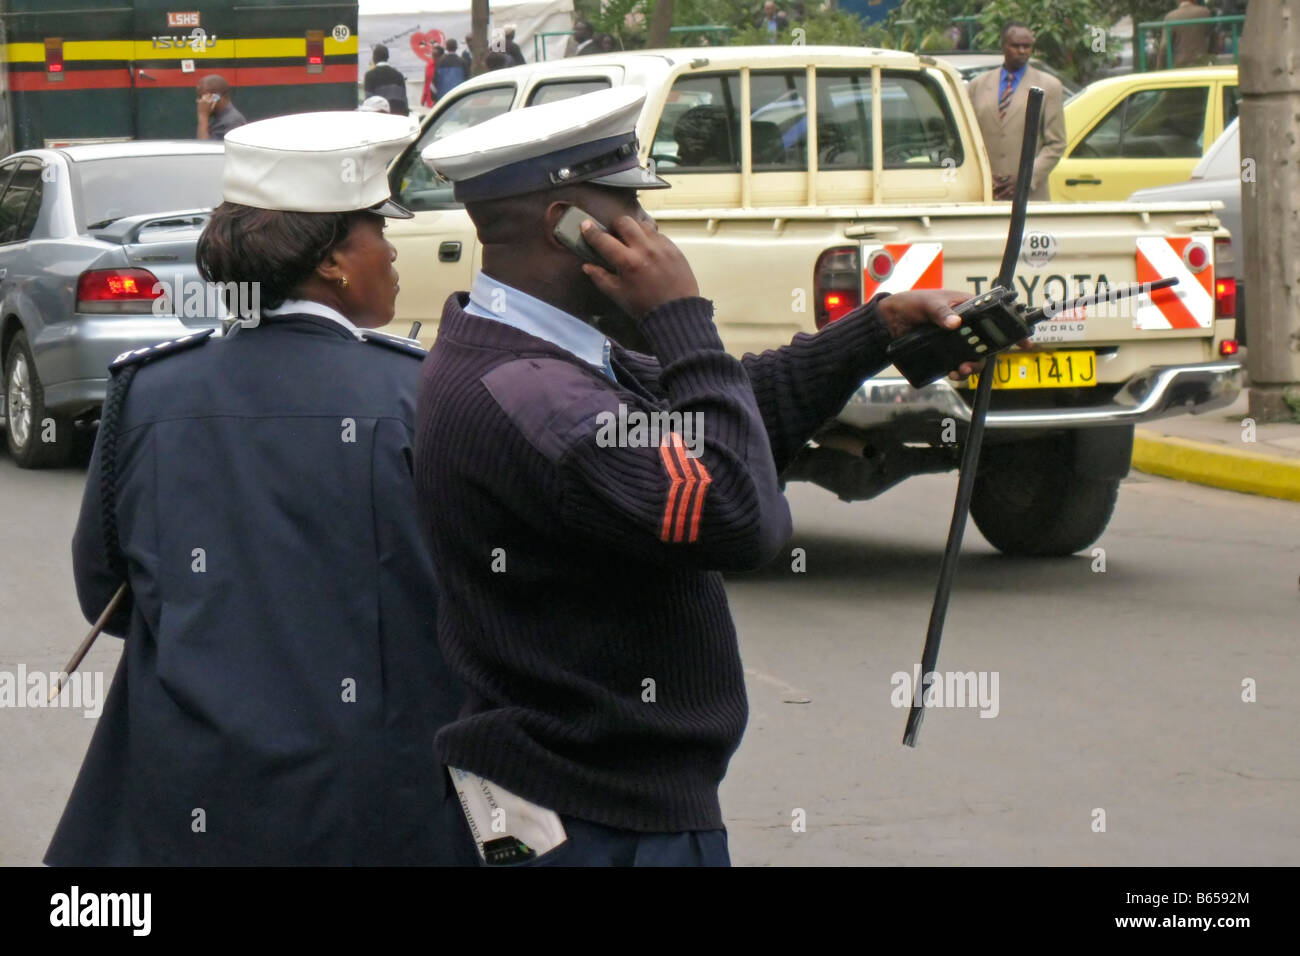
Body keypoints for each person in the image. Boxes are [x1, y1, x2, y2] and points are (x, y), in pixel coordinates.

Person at [415, 86, 980, 866]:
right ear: (570, 229)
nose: (653, 234)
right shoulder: (537, 395)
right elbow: (737, 513)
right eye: (633, 213)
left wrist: (875, 330)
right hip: (597, 823)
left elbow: (726, 417)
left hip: (607, 807)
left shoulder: (545, 356)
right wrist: (680, 317)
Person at [45, 111, 471, 866]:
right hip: (373, 800)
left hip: (186, 798)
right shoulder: (417, 393)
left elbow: (104, 592)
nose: (393, 251)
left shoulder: (149, 390)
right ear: (334, 259)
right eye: (377, 228)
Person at [967, 22, 1066, 201]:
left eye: (1027, 46)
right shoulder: (977, 86)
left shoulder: (1049, 86)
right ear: (1003, 46)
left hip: (1030, 195)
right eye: (1015, 46)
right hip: (987, 192)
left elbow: (1056, 143)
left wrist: (1026, 178)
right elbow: (968, 138)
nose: (1022, 51)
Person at [1154, 1, 1214, 69]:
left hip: (1180, 65)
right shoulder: (1205, 13)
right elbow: (1211, 38)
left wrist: (1159, 67)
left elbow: (1164, 45)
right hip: (1201, 64)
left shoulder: (1170, 17)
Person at [195, 74, 246, 141]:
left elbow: (205, 149)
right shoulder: (217, 117)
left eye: (201, 97)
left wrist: (203, 116)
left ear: (216, 97)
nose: (198, 101)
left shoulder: (232, 122)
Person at [363, 43, 409, 116]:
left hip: (381, 118)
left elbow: (369, 103)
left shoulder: (370, 76)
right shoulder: (399, 75)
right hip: (399, 118)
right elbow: (404, 101)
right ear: (387, 57)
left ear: (374, 58)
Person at [421, 42, 444, 108]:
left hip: (442, 97)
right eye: (433, 55)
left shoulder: (445, 66)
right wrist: (423, 98)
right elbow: (426, 82)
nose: (434, 58)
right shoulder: (429, 65)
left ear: (441, 55)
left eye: (436, 56)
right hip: (430, 99)